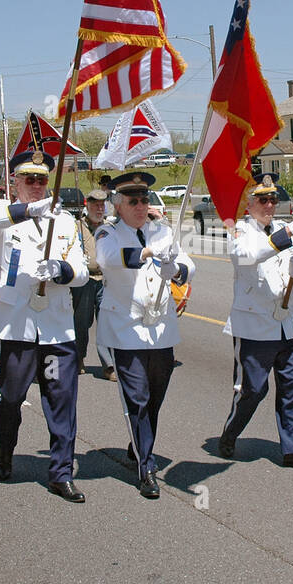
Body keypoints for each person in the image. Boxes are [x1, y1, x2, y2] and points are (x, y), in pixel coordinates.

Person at [0, 151, 89, 502]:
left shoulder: (66, 222)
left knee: (61, 399)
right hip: (17, 327)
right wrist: (29, 211)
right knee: (11, 396)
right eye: (30, 179)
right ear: (15, 181)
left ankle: (60, 472)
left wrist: (61, 270)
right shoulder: (2, 215)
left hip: (56, 326)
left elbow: (83, 272)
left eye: (42, 180)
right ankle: (6, 450)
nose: (38, 186)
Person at [95, 172, 196, 497]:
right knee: (136, 398)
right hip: (127, 329)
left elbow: (188, 263)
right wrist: (149, 253)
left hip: (161, 329)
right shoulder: (107, 232)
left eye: (144, 200)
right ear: (119, 205)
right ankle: (145, 467)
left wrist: (176, 269)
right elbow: (108, 259)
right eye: (133, 201)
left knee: (154, 397)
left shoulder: (162, 231)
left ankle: (139, 442)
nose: (141, 206)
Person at [217, 177, 293, 473]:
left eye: (273, 200)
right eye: (262, 200)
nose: (269, 206)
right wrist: (291, 229)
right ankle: (231, 430)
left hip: (288, 326)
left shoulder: (282, 229)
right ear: (248, 204)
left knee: (292, 390)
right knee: (252, 389)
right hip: (254, 328)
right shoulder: (238, 229)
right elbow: (249, 256)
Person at [72, 188, 116, 379]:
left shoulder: (109, 228)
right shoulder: (76, 227)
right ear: (87, 206)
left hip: (105, 281)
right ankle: (79, 357)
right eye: (95, 205)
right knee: (82, 322)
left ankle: (109, 365)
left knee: (106, 323)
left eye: (102, 205)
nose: (99, 208)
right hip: (84, 281)